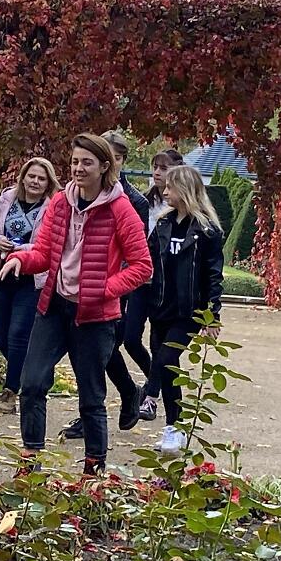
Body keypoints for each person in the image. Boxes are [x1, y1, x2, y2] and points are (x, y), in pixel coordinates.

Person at [0, 133, 152, 475]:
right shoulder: (60, 202)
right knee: (33, 382)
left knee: (91, 396)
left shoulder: (120, 207)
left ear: (104, 167)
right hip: (54, 307)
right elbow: (44, 252)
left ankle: (93, 469)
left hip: (95, 316)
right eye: (74, 162)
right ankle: (30, 461)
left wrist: (104, 288)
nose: (78, 169)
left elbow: (142, 266)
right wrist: (23, 260)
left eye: (86, 162)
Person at [59, 131, 150, 439]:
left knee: (101, 349)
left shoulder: (133, 201)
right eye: (79, 161)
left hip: (112, 287)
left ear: (116, 161)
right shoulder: (75, 195)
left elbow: (136, 252)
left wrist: (109, 285)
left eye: (95, 160)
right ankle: (126, 392)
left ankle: (100, 410)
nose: (85, 167)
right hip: (80, 288)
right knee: (100, 351)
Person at [141, 165, 224, 456]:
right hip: (160, 307)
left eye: (171, 187)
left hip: (188, 311)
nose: (164, 191)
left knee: (166, 361)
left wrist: (212, 315)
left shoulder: (207, 231)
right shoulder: (163, 225)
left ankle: (175, 428)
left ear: (185, 189)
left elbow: (214, 274)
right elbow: (148, 263)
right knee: (162, 367)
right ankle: (172, 427)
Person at [0, 158, 61, 415]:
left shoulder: (52, 208)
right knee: (0, 335)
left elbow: (48, 244)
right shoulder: (6, 200)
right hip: (4, 274)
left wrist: (20, 249)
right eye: (32, 176)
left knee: (18, 334)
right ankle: (37, 369)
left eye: (41, 178)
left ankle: (10, 392)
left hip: (32, 278)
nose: (35, 182)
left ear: (48, 183)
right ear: (23, 177)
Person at [122, 147, 184, 417]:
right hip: (140, 280)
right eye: (155, 167)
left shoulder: (179, 207)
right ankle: (153, 381)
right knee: (130, 338)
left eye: (164, 168)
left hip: (164, 286)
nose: (157, 173)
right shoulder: (143, 201)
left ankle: (152, 395)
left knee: (162, 345)